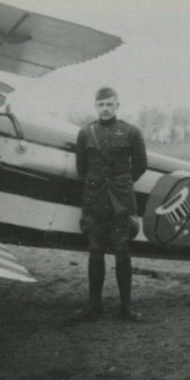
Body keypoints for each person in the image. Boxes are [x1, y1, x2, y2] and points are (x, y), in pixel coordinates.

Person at [73, 86, 148, 322]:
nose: (105, 109)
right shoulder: (85, 133)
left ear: (117, 106)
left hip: (121, 201)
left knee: (122, 251)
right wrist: (99, 185)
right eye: (101, 105)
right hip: (95, 200)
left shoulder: (131, 132)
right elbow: (81, 168)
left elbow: (141, 165)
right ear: (95, 107)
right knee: (95, 251)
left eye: (109, 104)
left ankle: (126, 307)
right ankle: (94, 305)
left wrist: (120, 183)